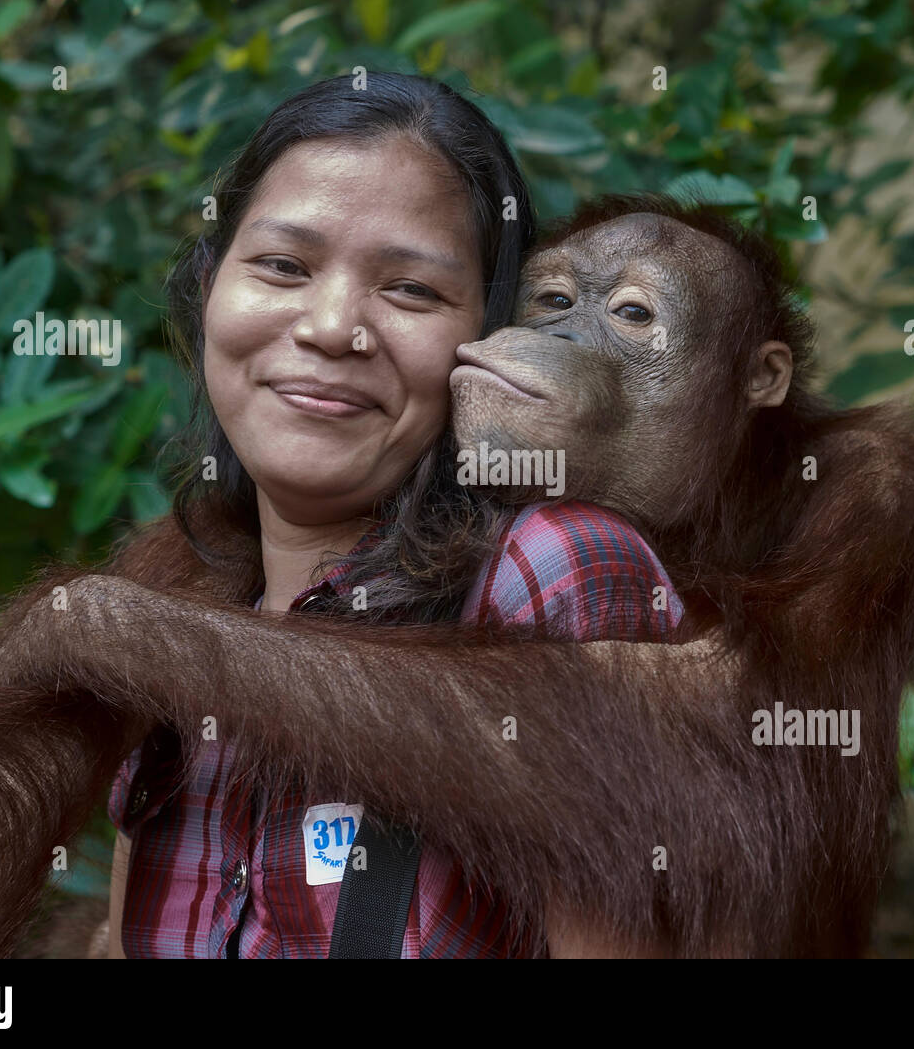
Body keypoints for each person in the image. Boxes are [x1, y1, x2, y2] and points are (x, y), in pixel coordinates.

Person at [103, 72, 684, 959]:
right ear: (208, 286)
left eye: (412, 290)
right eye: (283, 266)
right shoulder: (176, 594)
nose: (333, 326)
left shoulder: (547, 573)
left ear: (489, 339)